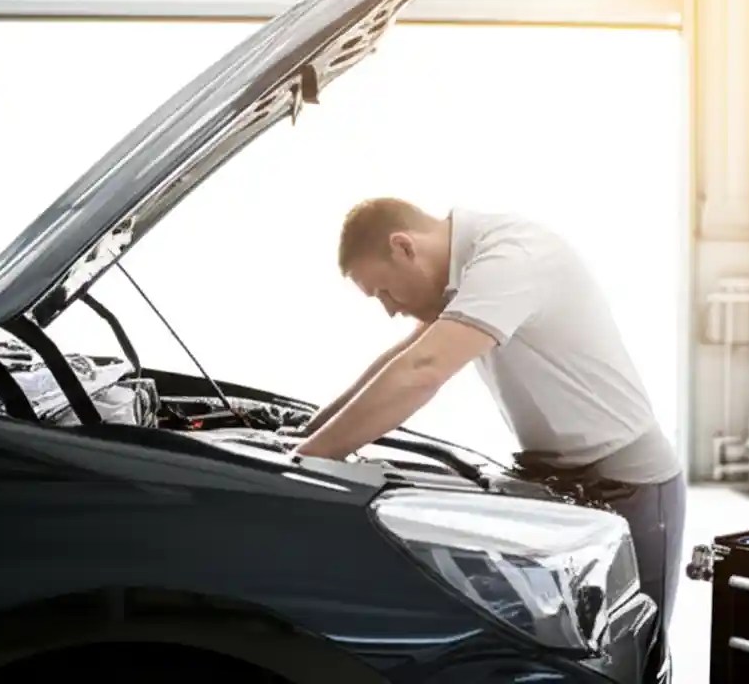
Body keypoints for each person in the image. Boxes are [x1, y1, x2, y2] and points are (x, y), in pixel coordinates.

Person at [292, 197, 686, 628]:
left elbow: (423, 369)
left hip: (631, 489)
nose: (389, 309)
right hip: (563, 483)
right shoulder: (467, 272)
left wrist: (305, 463)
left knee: (632, 648)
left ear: (404, 247)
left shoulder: (510, 258)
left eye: (384, 290)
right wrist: (307, 433)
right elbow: (402, 358)